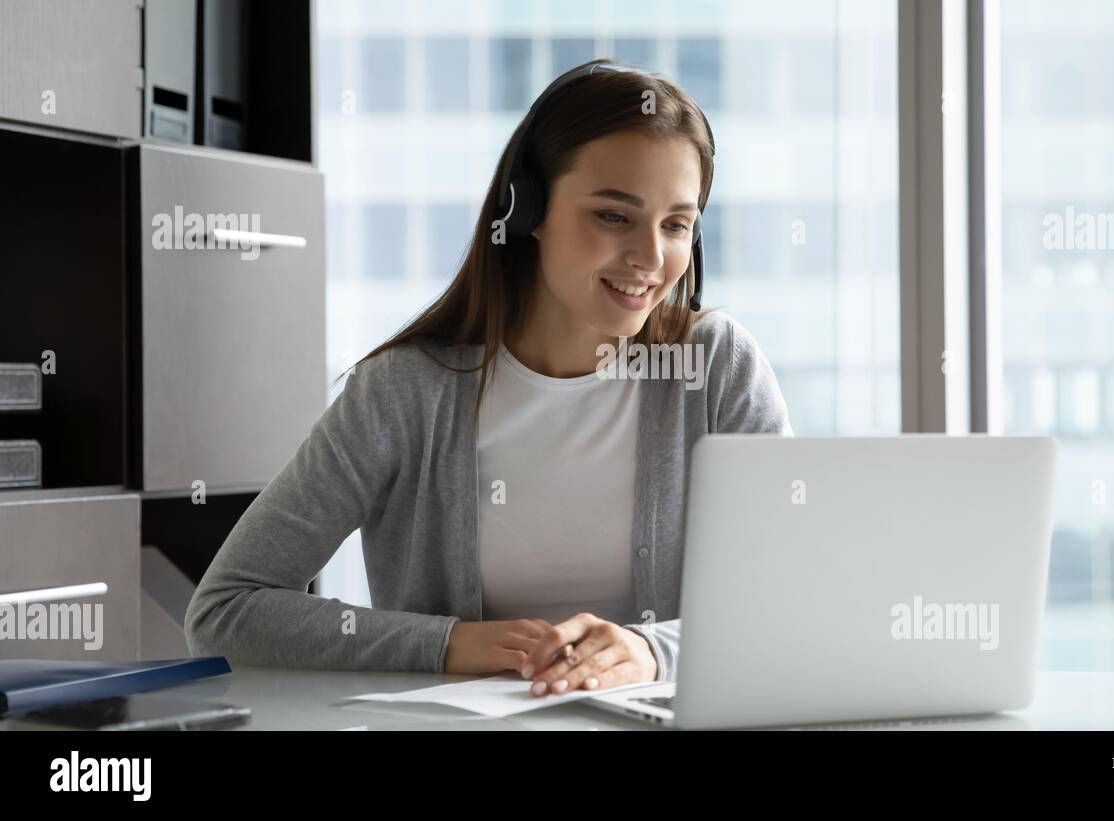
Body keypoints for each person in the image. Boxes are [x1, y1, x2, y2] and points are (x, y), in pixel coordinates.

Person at [184, 59, 792, 698]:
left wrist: (653, 650)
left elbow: (801, 598)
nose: (649, 257)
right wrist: (444, 644)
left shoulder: (717, 367)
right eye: (613, 216)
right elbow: (226, 612)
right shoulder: (404, 392)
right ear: (525, 208)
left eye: (675, 225)